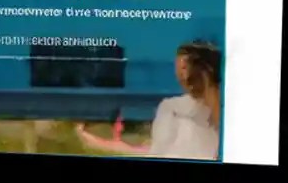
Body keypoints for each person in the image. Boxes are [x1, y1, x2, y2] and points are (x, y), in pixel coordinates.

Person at [76, 41, 221, 160]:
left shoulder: (173, 109)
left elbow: (158, 154)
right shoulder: (222, 108)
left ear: (184, 68)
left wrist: (103, 144)